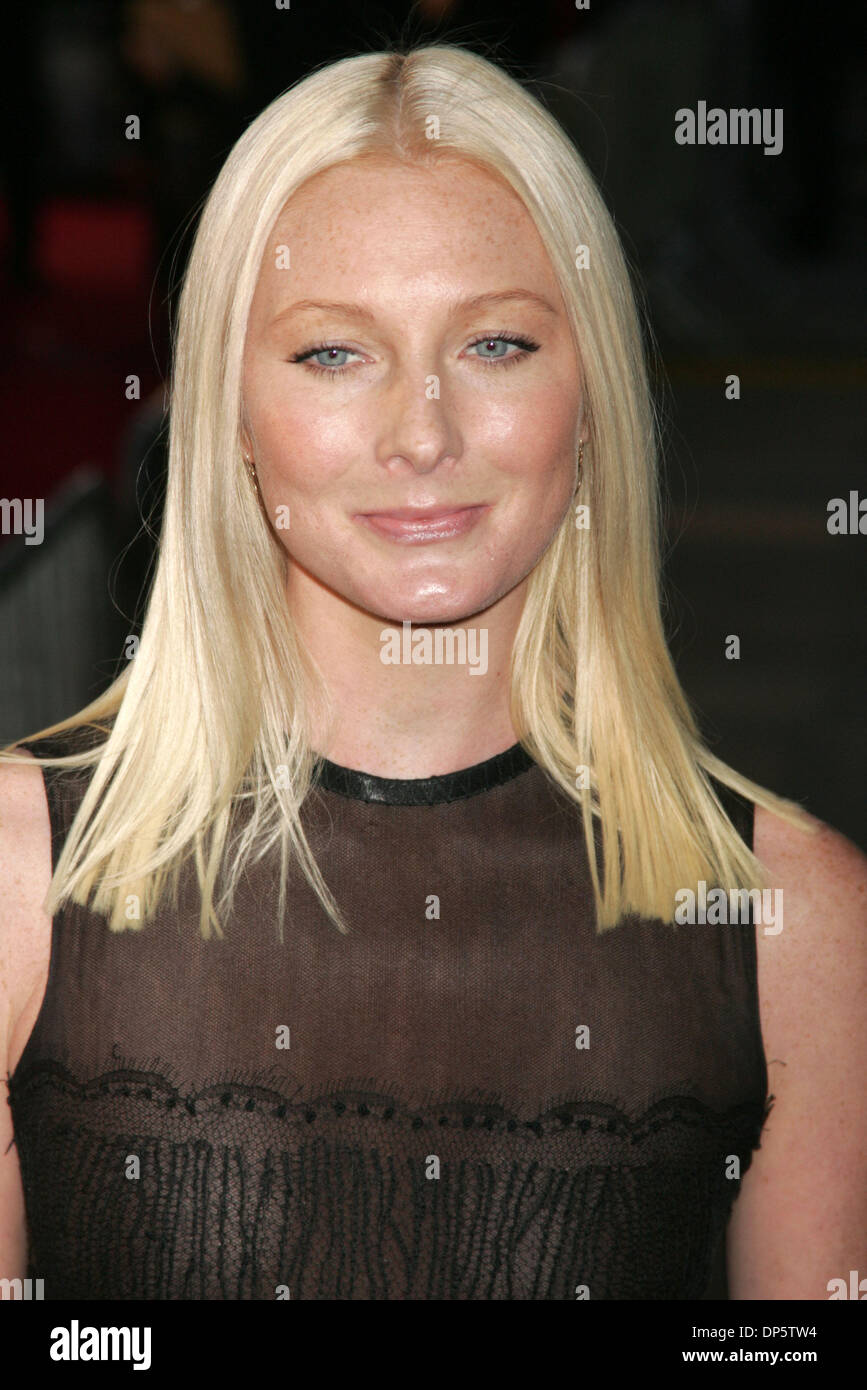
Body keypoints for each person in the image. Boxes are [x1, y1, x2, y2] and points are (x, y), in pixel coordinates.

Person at [1, 43, 864, 1302]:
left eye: (497, 345)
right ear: (227, 417)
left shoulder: (798, 930)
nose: (422, 435)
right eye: (333, 355)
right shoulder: (17, 890)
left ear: (594, 395)